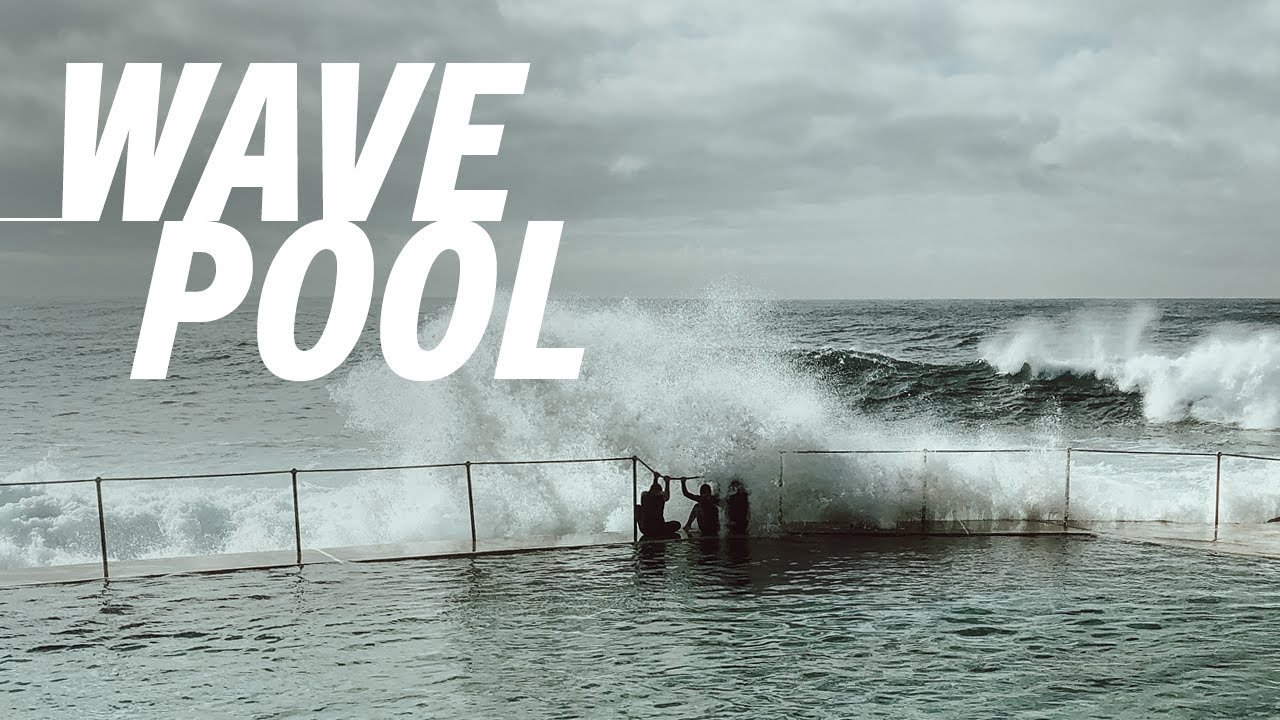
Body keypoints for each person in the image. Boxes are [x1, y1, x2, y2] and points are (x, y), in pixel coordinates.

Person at [636, 472, 681, 538]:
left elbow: (653, 491)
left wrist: (655, 479)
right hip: (658, 529)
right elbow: (666, 495)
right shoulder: (660, 498)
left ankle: (658, 533)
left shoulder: (644, 495)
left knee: (638, 507)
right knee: (677, 524)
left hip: (645, 529)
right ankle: (662, 534)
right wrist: (667, 482)